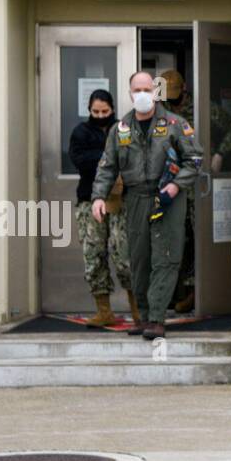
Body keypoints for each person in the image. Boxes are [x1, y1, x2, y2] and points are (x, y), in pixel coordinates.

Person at [91, 72, 202, 340]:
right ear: (130, 93)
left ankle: (157, 318)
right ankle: (143, 315)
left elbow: (195, 158)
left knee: (165, 258)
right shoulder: (121, 129)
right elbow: (107, 166)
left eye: (146, 89)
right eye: (136, 89)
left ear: (155, 92)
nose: (142, 94)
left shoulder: (175, 123)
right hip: (136, 198)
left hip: (167, 197)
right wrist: (98, 197)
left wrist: (176, 186)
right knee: (138, 260)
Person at [161, 69, 231, 314]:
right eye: (169, 99)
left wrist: (219, 155)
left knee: (199, 237)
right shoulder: (160, 111)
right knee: (174, 237)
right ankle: (172, 292)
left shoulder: (203, 108)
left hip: (197, 183)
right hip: (170, 181)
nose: (174, 102)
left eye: (176, 97)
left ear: (184, 89)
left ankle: (198, 293)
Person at [68, 89, 133, 327]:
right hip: (89, 200)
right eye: (96, 111)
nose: (100, 115)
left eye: (104, 111)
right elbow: (78, 160)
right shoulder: (81, 132)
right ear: (89, 110)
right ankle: (104, 311)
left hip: (121, 200)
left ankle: (138, 310)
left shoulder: (123, 129)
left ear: (112, 109)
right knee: (93, 255)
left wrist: (104, 159)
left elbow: (132, 158)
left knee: (124, 255)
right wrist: (108, 155)